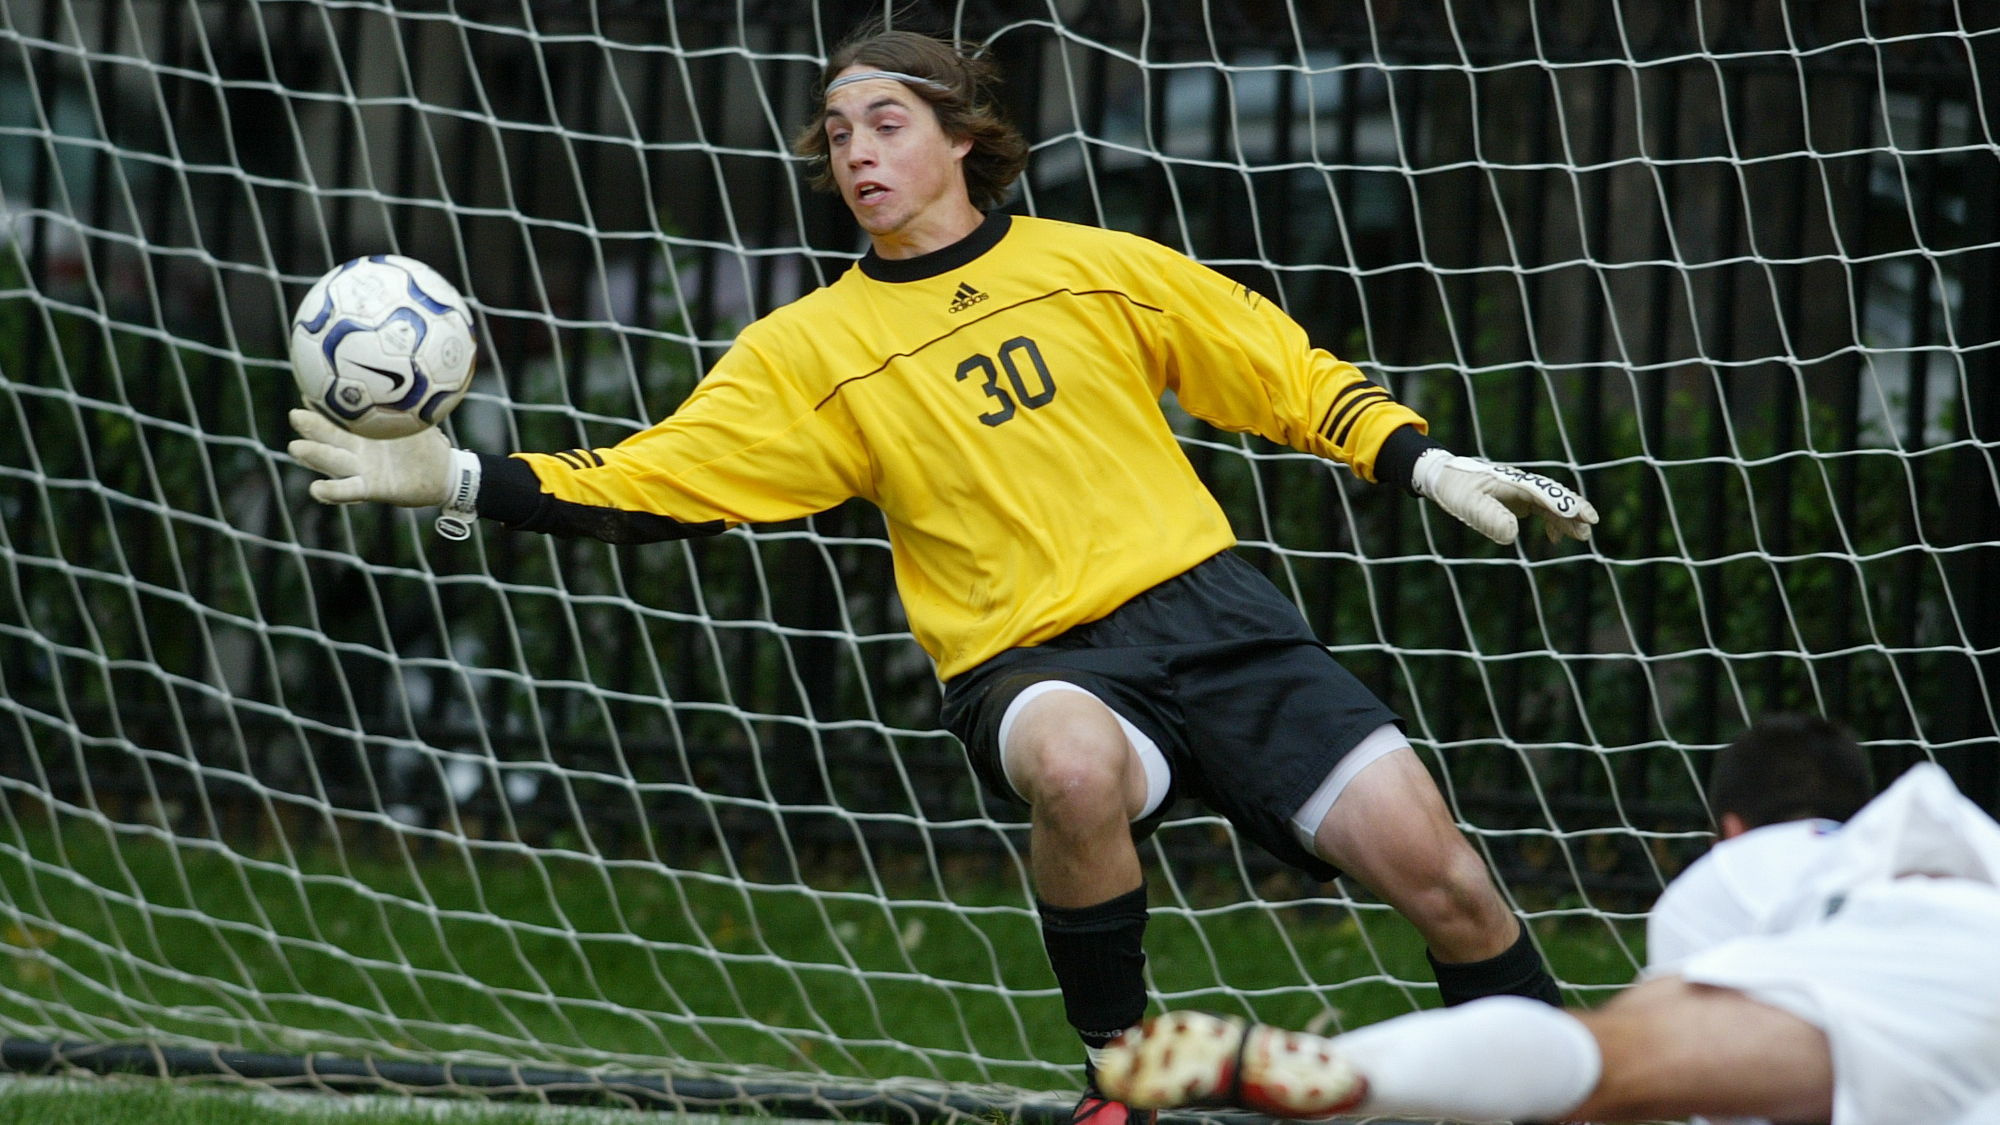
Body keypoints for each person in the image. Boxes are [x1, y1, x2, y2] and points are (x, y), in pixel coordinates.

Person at [285, 24, 1600, 1125]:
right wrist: (463, 476)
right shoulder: (809, 348)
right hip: (1030, 661)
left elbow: (1270, 366)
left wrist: (1418, 459)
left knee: (1447, 882)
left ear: (964, 136)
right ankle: (1121, 1076)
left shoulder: (1092, 267)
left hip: (1213, 617)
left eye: (886, 122)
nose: (857, 151)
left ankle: (1572, 1090)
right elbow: (666, 478)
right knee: (1072, 766)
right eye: (837, 134)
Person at [1095, 715, 2000, 1124]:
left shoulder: (1722, 882)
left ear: (1730, 824)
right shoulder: (1916, 848)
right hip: (1973, 941)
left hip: (1861, 989)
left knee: (1605, 1061)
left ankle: (1359, 1069)